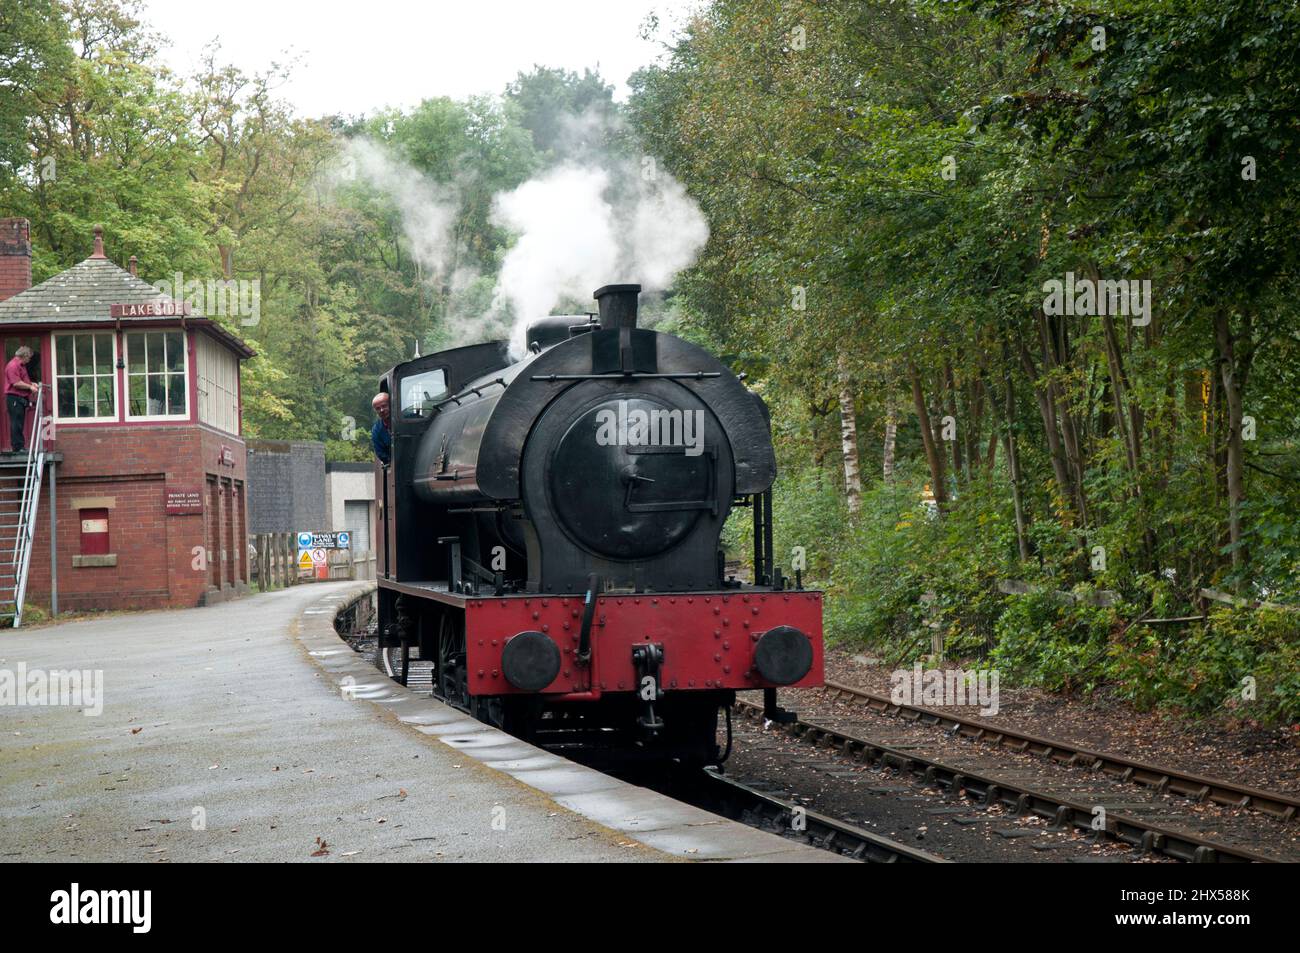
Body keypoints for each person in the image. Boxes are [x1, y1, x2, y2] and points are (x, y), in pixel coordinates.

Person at [4, 346, 37, 453]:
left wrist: (31, 384)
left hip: (19, 398)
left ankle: (20, 446)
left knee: (19, 422)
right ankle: (17, 448)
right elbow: (16, 383)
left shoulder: (21, 366)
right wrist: (30, 387)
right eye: (29, 357)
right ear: (25, 356)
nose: (30, 360)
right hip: (14, 398)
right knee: (16, 422)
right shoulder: (13, 365)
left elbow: (22, 380)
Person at [370, 392, 391, 465]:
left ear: (391, 405)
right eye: (378, 408)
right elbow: (381, 453)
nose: (382, 410)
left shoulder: (408, 418)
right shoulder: (376, 430)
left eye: (384, 406)